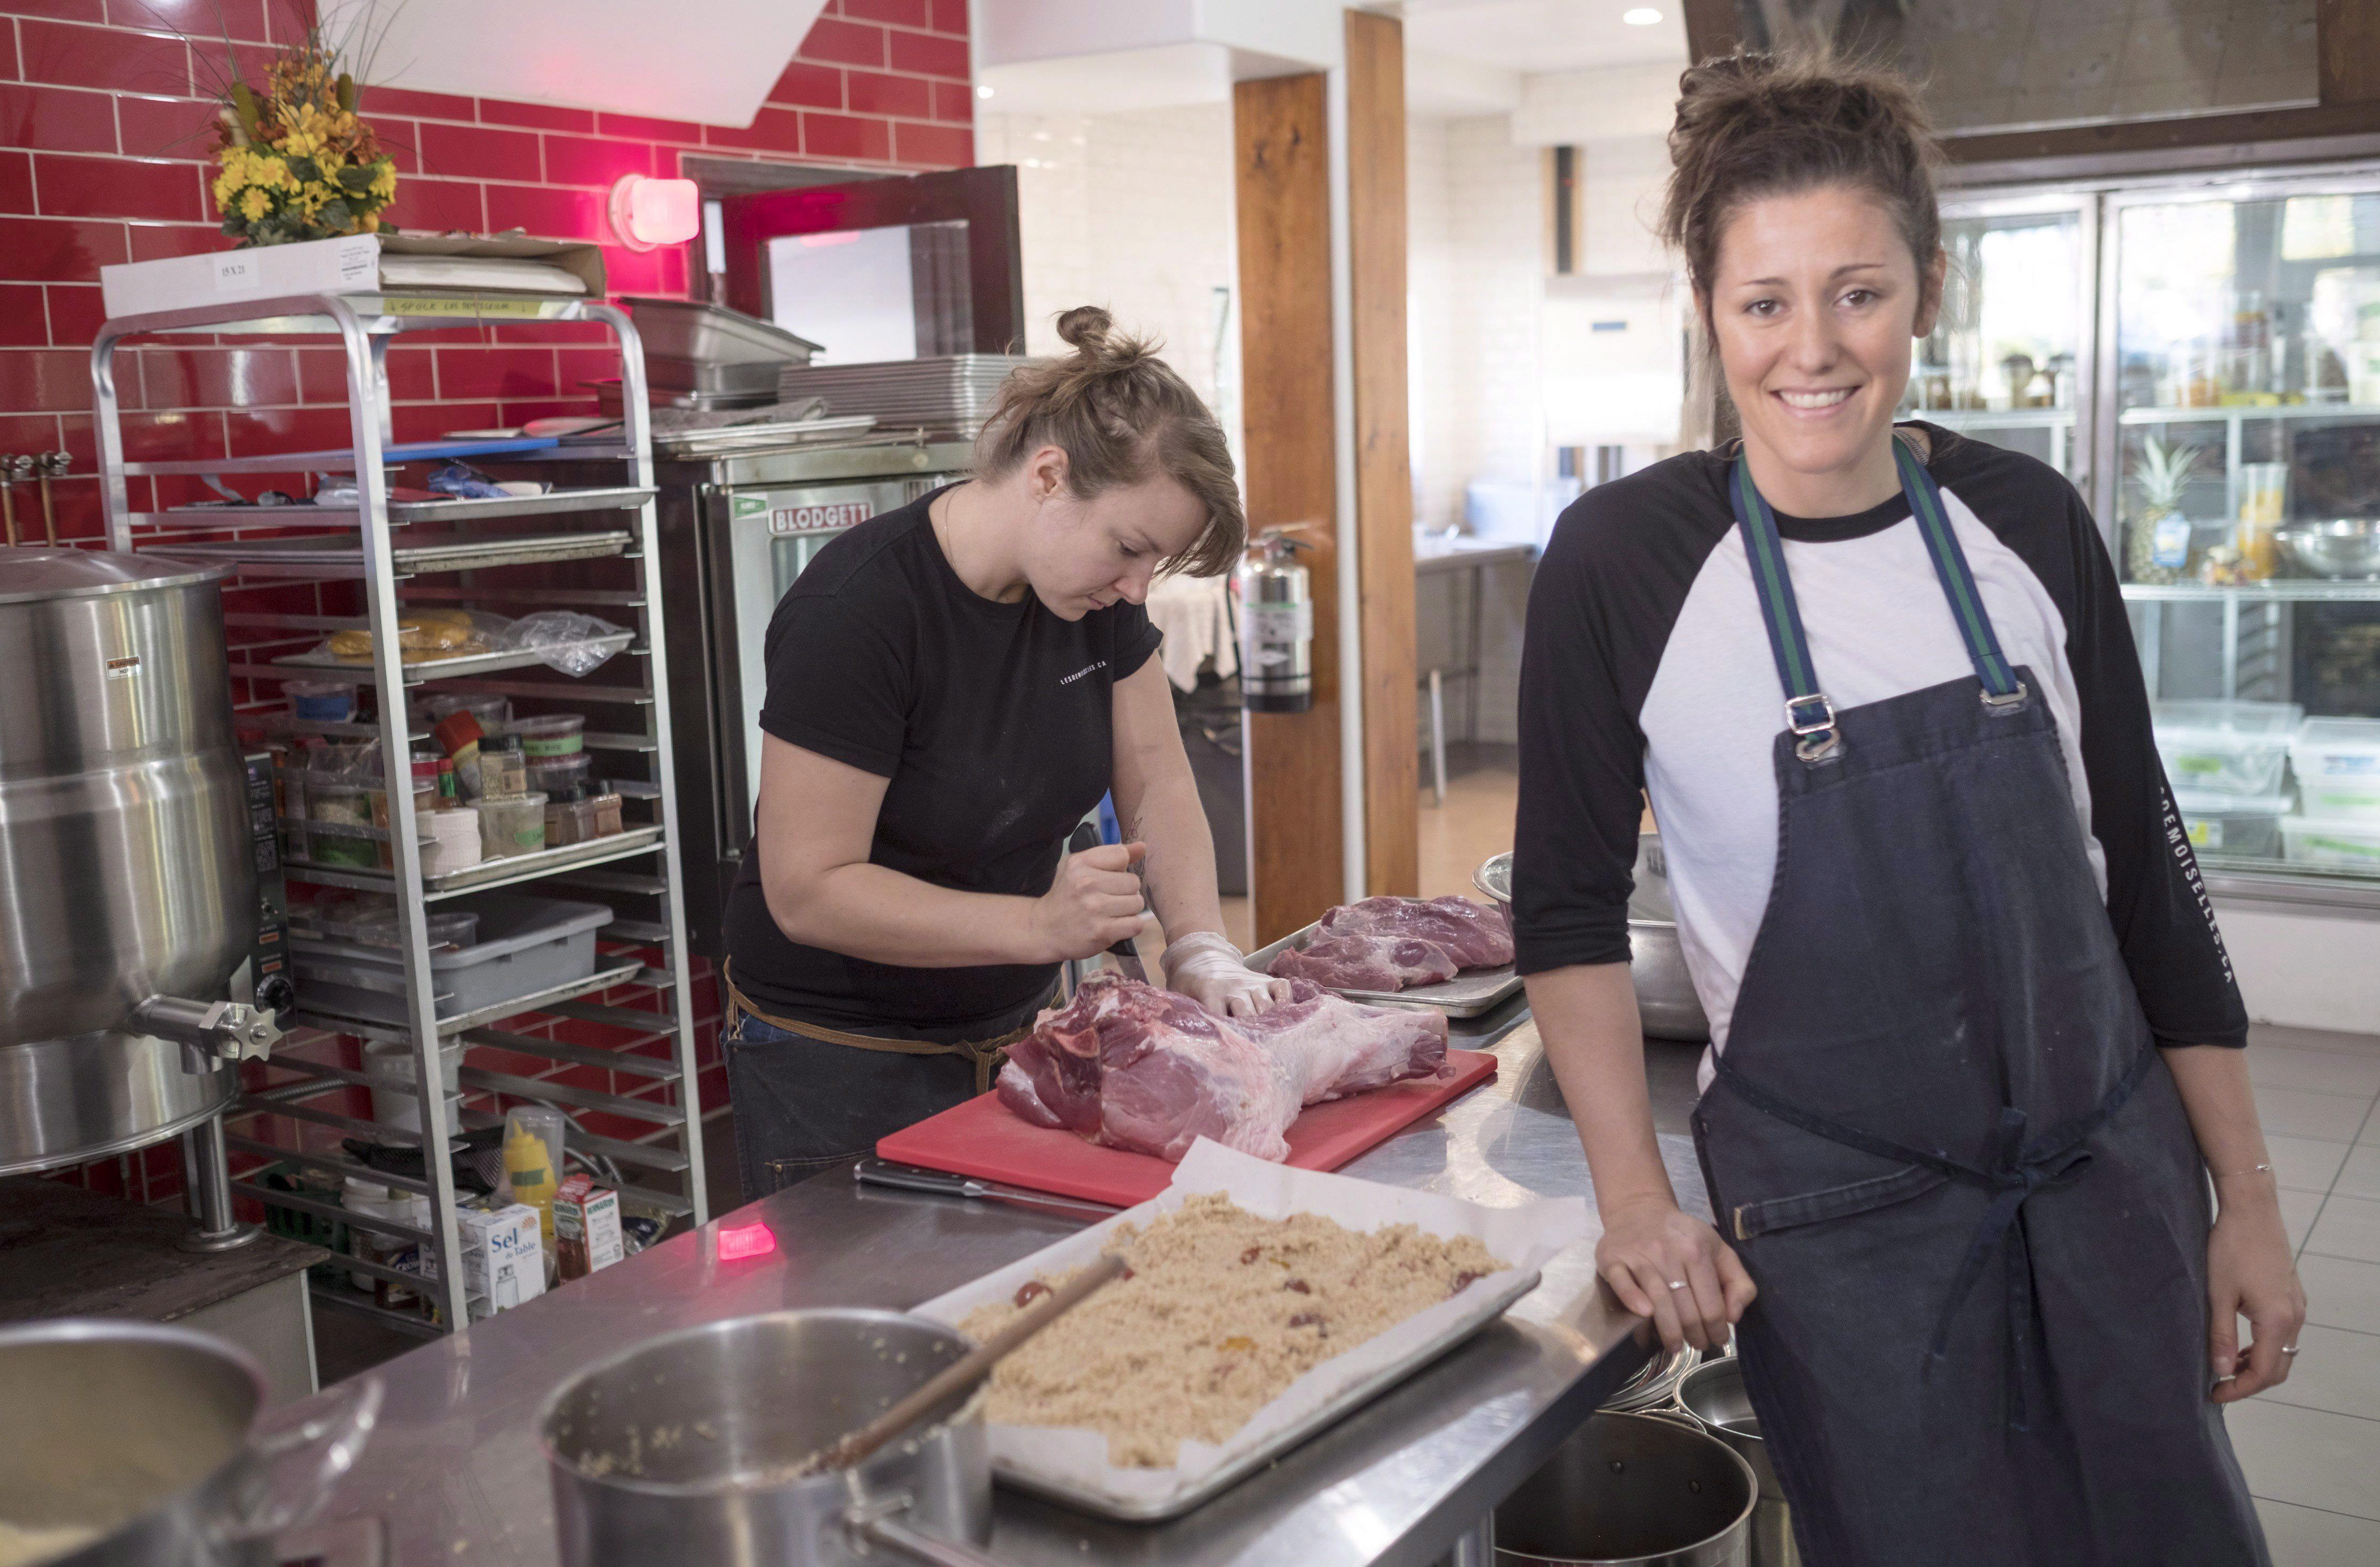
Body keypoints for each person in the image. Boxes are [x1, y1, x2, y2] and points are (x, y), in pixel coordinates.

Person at [1513, 53, 2302, 1566]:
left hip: (2104, 1186)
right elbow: (1558, 910)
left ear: (1927, 291)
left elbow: (2146, 869)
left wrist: (2245, 1199)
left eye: (1856, 292)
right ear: (1708, 312)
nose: (1811, 349)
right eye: (1763, 303)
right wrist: (1634, 1197)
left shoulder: (2023, 523)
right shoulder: (1625, 561)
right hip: (1843, 1235)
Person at [720, 307, 1287, 1197]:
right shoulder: (861, 610)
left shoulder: (1094, 600)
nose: (1136, 587)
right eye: (1130, 548)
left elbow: (1160, 781)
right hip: (838, 1058)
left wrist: (1201, 944)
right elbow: (808, 888)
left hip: (1017, 1031)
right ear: (1049, 476)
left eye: (1156, 564)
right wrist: (1035, 927)